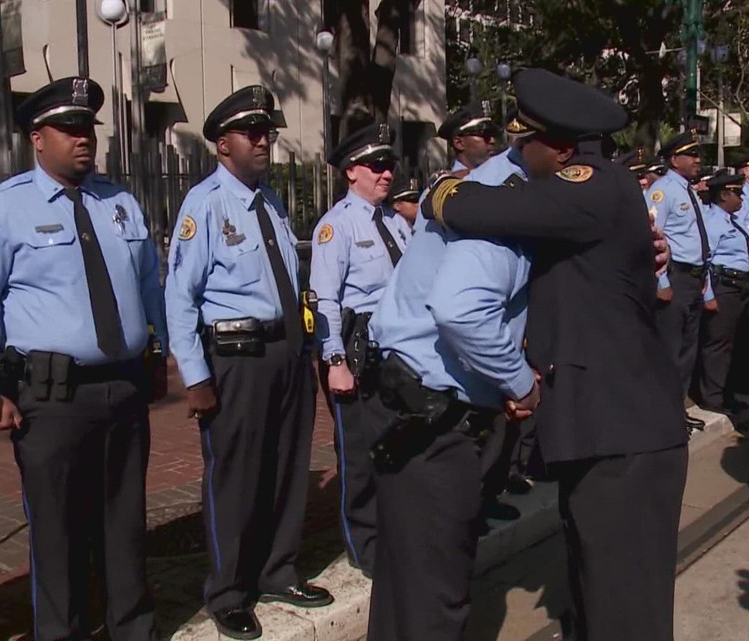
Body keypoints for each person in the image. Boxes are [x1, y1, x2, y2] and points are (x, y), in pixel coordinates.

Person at [426, 68, 687, 641]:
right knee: (595, 590)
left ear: (565, 150)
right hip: (607, 430)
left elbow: (484, 210)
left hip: (625, 437)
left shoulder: (591, 184)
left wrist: (442, 189)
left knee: (625, 611)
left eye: (527, 143)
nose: (518, 155)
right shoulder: (600, 194)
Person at [0, 77, 166, 641]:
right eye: (69, 128)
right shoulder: (3, 211)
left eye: (88, 129)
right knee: (58, 533)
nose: (84, 139)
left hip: (123, 388)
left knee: (125, 525)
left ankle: (133, 629)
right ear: (37, 137)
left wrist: (158, 350)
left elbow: (149, 286)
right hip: (51, 397)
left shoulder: (120, 203)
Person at [164, 86, 331, 640]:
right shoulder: (205, 204)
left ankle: (278, 568)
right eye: (251, 133)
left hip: (286, 351)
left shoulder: (271, 201)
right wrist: (196, 377)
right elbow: (179, 298)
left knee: (286, 465)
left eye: (267, 132)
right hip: (237, 358)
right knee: (236, 476)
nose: (263, 141)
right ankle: (229, 590)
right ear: (221, 144)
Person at [364, 110, 537, 641]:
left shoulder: (479, 188)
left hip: (417, 401)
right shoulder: (505, 201)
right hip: (437, 418)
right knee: (436, 598)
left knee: (405, 588)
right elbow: (461, 311)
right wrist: (519, 382)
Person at [310, 122, 409, 577]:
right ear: (352, 172)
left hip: (399, 347)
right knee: (360, 452)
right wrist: (334, 361)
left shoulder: (396, 223)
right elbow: (324, 299)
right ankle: (364, 543)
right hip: (358, 349)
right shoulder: (337, 226)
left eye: (389, 165)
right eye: (376, 166)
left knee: (398, 443)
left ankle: (397, 531)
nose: (386, 174)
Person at [647, 130, 709, 431]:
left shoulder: (689, 189)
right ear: (675, 159)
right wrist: (661, 284)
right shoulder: (663, 190)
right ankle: (663, 417)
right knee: (670, 351)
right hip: (675, 276)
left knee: (687, 350)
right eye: (692, 154)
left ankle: (676, 412)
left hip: (694, 278)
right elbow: (651, 238)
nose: (698, 159)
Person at [695, 173, 749, 414]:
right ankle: (712, 396)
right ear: (723, 195)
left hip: (739, 287)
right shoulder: (714, 221)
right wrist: (709, 295)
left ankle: (724, 390)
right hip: (724, 287)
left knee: (732, 342)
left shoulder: (731, 220)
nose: (741, 198)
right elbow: (704, 260)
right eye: (737, 193)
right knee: (718, 344)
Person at [438, 100, 498, 172]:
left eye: (493, 134)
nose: (492, 140)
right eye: (485, 135)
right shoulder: (452, 182)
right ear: (459, 143)